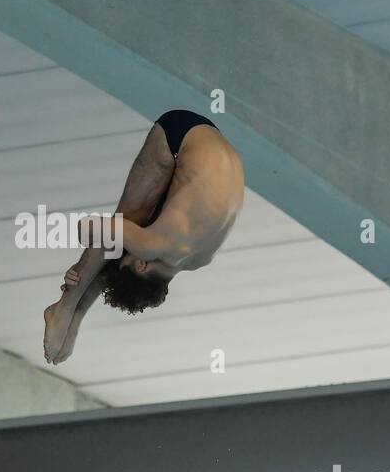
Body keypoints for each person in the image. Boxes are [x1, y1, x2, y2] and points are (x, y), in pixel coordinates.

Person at [43, 109, 244, 364]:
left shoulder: (200, 260)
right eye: (127, 259)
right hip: (180, 132)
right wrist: (80, 257)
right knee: (126, 220)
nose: (125, 255)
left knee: (123, 233)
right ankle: (68, 310)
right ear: (141, 264)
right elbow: (92, 227)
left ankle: (75, 316)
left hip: (217, 143)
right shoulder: (153, 247)